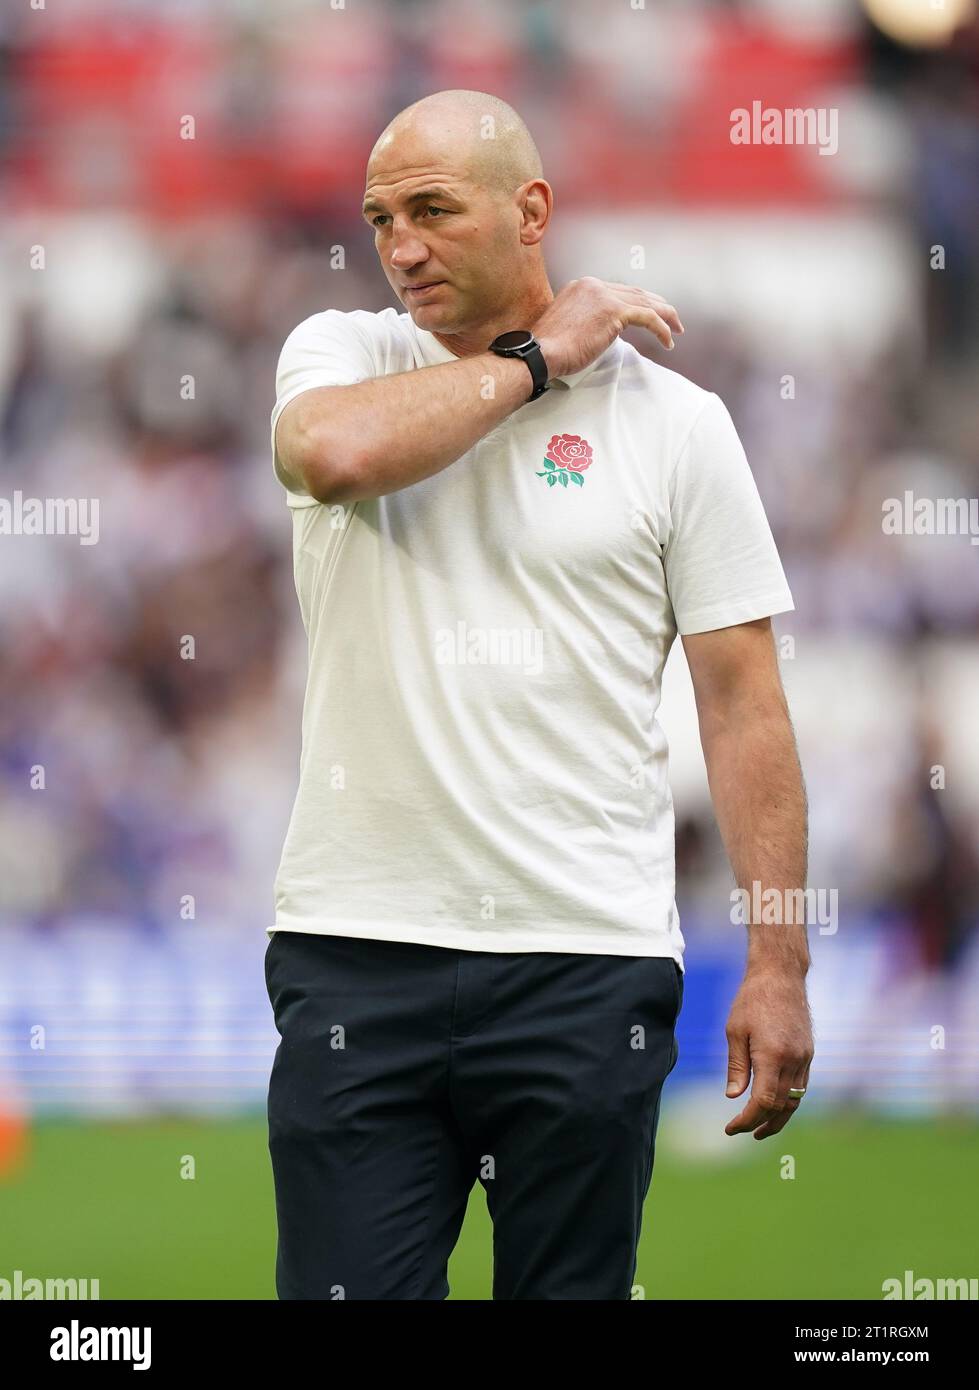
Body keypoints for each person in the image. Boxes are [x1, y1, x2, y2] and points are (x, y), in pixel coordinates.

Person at [264, 88, 813, 1301]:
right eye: (379, 217)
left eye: (431, 210)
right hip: (362, 948)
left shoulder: (680, 427)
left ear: (532, 211)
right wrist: (540, 359)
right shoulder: (342, 354)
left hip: (585, 958)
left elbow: (743, 707)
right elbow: (332, 455)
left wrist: (778, 960)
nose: (399, 245)